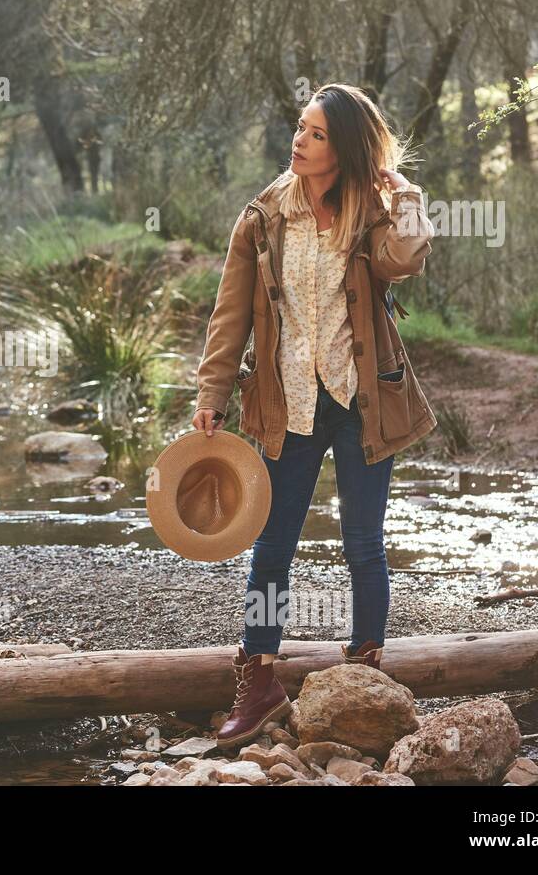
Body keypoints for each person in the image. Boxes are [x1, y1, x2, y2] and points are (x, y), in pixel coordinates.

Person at [191, 83, 438, 749]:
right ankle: (259, 679)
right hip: (287, 401)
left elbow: (405, 259)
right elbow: (230, 315)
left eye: (317, 133)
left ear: (346, 148)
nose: (299, 140)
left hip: (364, 401)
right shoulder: (264, 216)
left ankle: (366, 678)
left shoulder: (372, 213)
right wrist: (212, 394)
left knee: (364, 543)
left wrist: (406, 197)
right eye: (300, 128)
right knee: (271, 549)